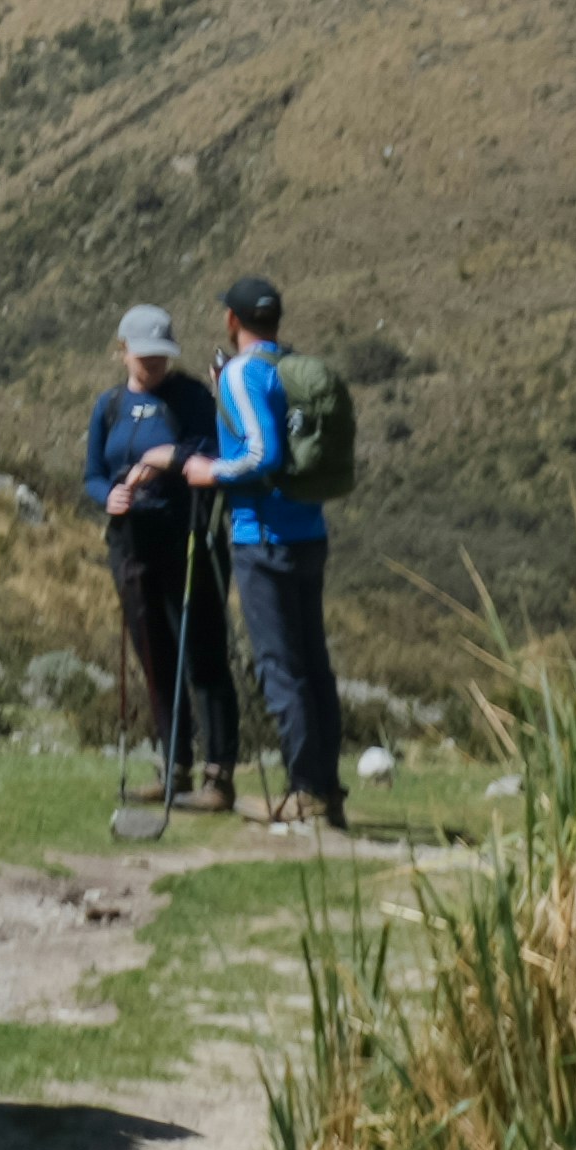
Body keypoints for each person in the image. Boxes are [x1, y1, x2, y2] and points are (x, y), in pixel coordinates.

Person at [170, 272, 345, 830]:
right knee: (314, 665)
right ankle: (325, 789)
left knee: (279, 668)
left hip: (261, 538)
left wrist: (208, 470)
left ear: (233, 320)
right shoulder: (288, 367)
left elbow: (262, 454)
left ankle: (305, 793)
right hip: (307, 533)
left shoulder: (244, 372)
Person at [83, 306, 238, 813]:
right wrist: (110, 497)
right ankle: (174, 767)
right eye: (145, 357)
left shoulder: (192, 398)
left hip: (185, 536)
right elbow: (93, 474)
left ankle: (218, 775)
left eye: (161, 358)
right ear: (122, 350)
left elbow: (212, 451)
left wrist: (165, 460)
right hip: (130, 542)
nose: (153, 366)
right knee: (155, 656)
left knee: (204, 651)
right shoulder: (108, 407)